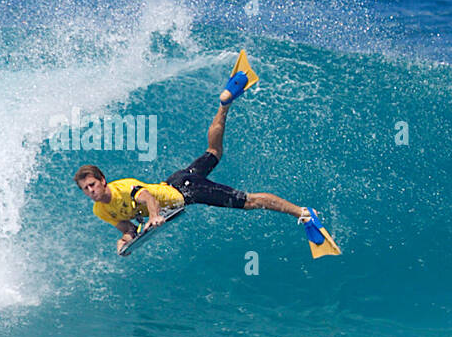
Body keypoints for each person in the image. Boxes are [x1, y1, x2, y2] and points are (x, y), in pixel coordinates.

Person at [76, 64, 323, 255]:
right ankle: (225, 102)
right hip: (174, 181)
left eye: (93, 184)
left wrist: (153, 217)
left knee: (248, 201)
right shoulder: (100, 210)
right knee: (214, 152)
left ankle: (304, 213)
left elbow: (147, 197)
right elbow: (128, 228)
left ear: (103, 180)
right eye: (86, 189)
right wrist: (124, 243)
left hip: (187, 191)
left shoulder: (123, 188)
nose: (90, 191)